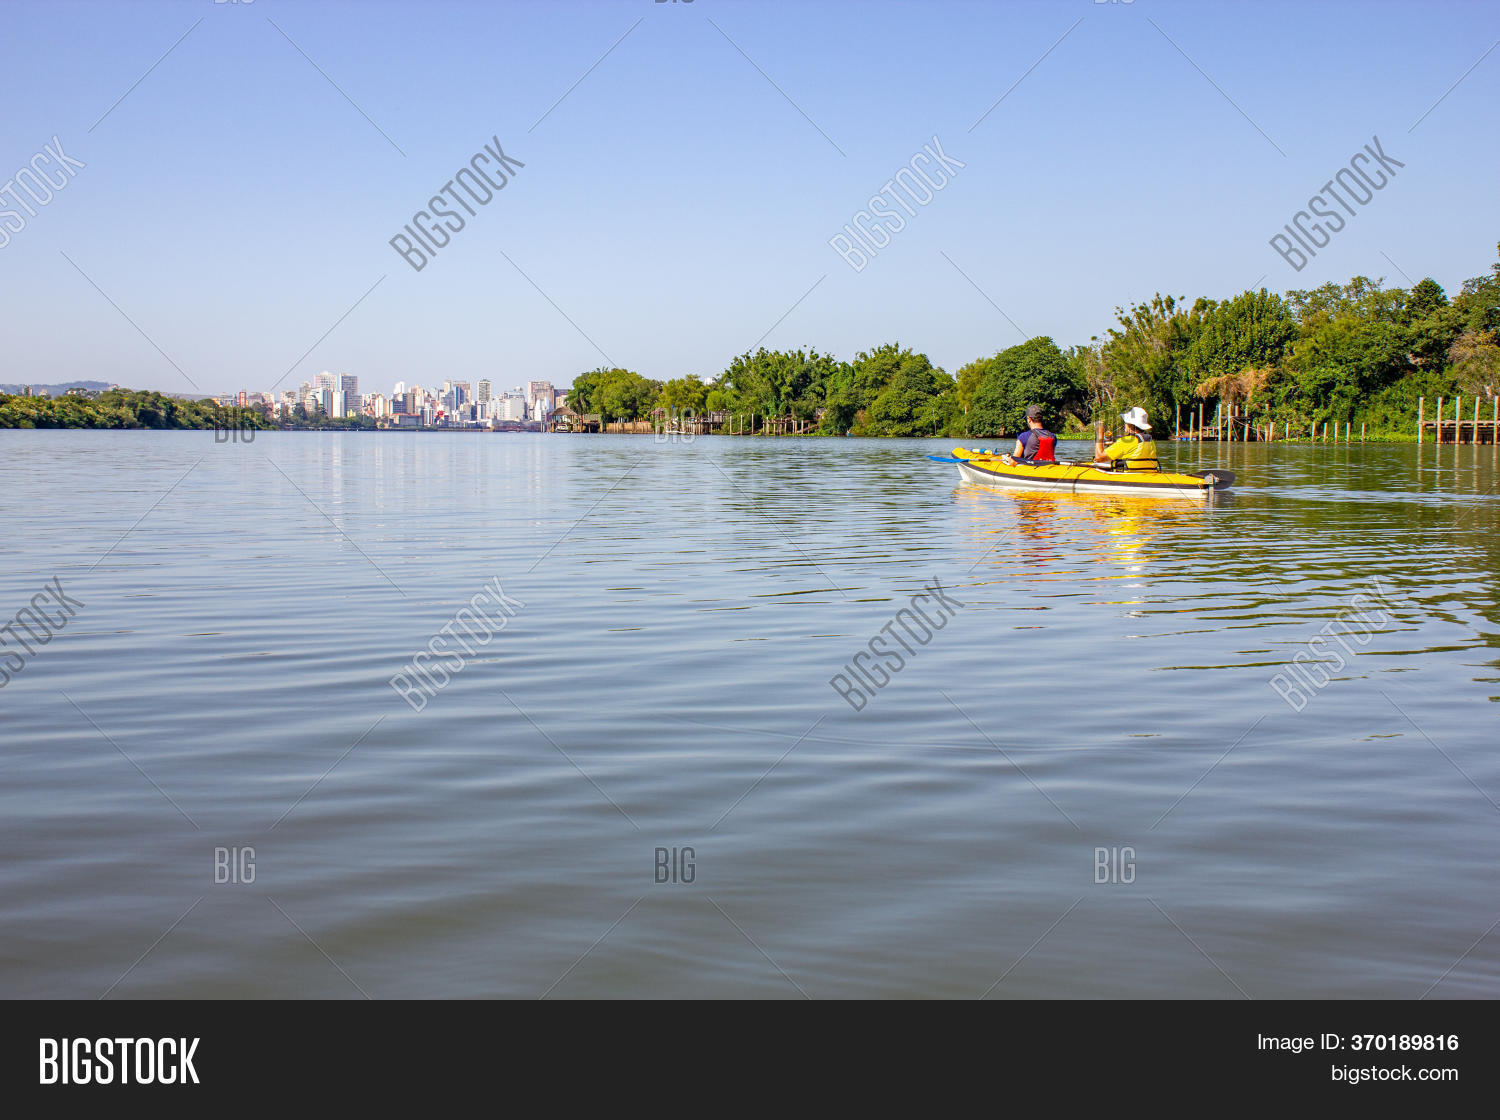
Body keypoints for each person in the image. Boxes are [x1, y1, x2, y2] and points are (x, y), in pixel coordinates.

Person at [1094, 407, 1159, 470]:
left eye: (1126, 423)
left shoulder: (1127, 441)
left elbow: (1099, 458)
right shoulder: (1149, 440)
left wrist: (1099, 434)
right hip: (1147, 474)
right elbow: (1133, 449)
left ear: (1130, 425)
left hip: (1129, 476)